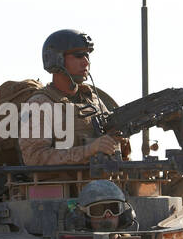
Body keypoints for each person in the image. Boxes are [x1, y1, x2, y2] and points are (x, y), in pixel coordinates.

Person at [17, 29, 129, 167]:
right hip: (60, 186)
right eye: (79, 56)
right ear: (57, 60)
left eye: (87, 56)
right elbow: (35, 158)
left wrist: (118, 142)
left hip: (101, 184)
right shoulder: (40, 104)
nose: (86, 62)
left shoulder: (93, 100)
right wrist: (88, 151)